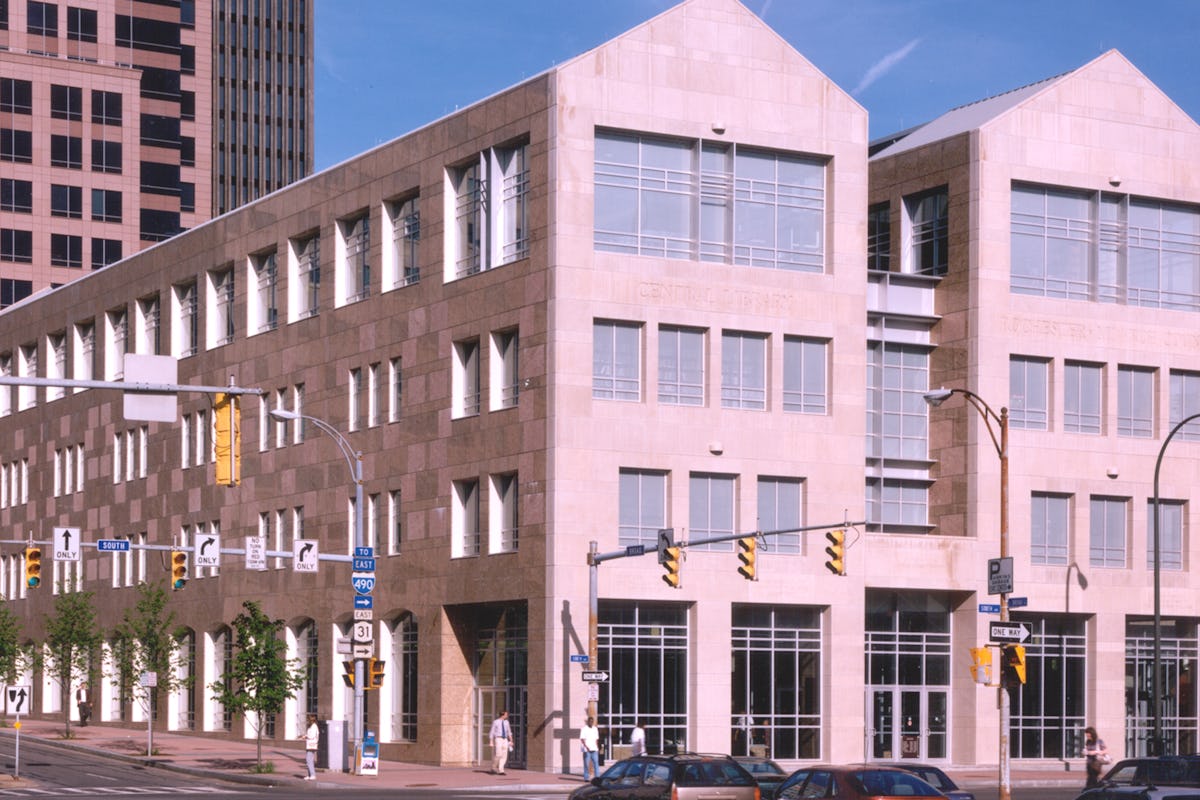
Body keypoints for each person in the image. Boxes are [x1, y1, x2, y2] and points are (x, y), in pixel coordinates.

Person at [489, 710, 513, 775]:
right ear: (502, 715)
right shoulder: (495, 722)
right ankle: (493, 768)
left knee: (504, 755)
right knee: (498, 754)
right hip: (498, 738)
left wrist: (511, 740)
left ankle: (501, 770)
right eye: (506, 714)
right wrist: (491, 741)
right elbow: (492, 732)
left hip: (505, 739)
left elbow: (509, 732)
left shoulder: (506, 722)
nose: (507, 716)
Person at [301, 714, 319, 781]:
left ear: (311, 720)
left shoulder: (314, 727)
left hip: (312, 745)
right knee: (309, 760)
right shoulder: (311, 727)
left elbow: (311, 736)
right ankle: (309, 775)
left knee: (309, 760)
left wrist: (305, 736)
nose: (307, 721)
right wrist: (305, 736)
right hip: (310, 745)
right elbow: (309, 735)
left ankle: (313, 775)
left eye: (308, 719)